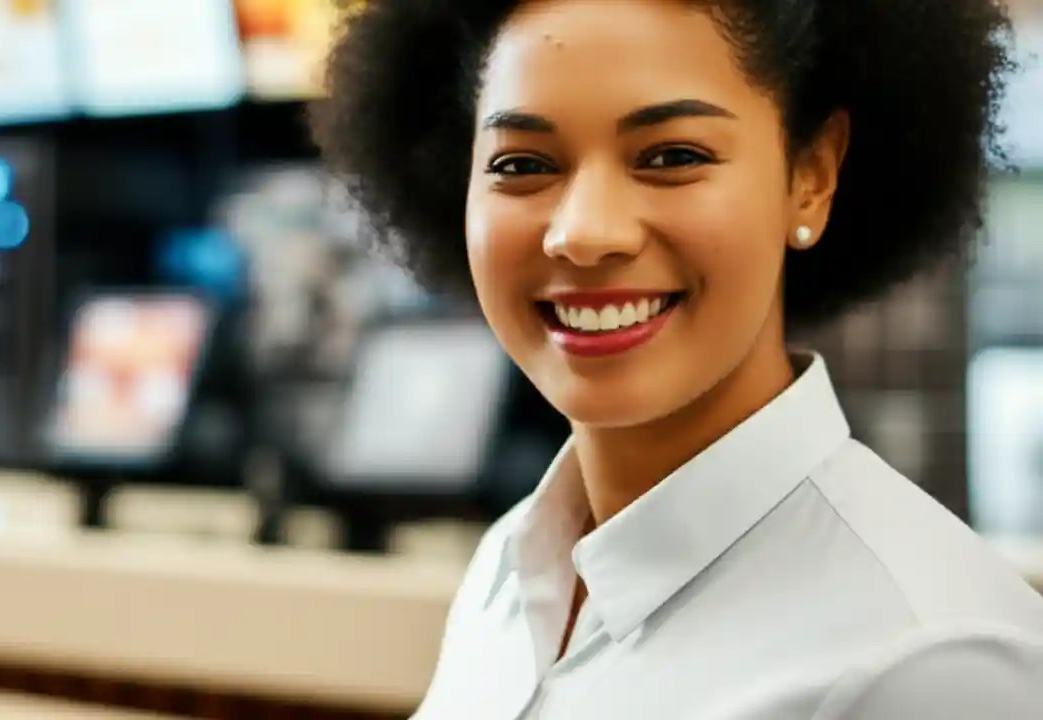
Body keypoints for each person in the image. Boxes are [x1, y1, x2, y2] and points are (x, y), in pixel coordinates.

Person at [312, 0, 1043, 717]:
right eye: (523, 163)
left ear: (811, 176)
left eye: (672, 157)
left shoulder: (930, 664)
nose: (583, 233)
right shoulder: (507, 570)